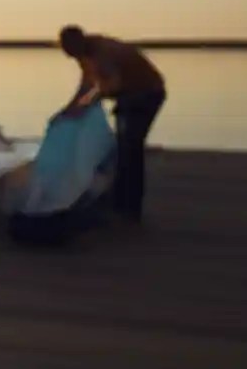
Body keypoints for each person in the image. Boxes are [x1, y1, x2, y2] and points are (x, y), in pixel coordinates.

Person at [55, 25, 167, 222]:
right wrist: (68, 111)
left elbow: (113, 83)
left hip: (146, 93)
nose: (69, 56)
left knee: (130, 148)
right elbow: (86, 87)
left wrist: (90, 100)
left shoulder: (101, 52)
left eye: (69, 51)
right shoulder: (85, 54)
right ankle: (120, 202)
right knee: (123, 148)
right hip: (129, 96)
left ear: (77, 42)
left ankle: (130, 209)